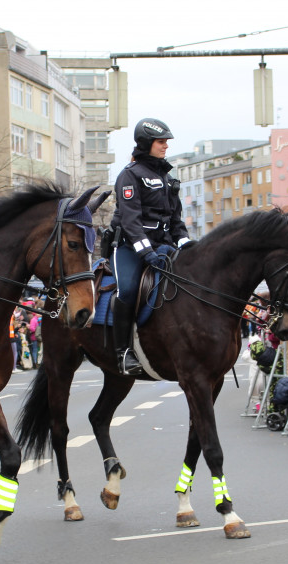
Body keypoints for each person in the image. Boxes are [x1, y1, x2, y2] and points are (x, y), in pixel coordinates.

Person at [111, 118, 191, 376]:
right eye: (161, 141)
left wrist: (187, 244)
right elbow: (131, 222)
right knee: (129, 289)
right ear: (146, 144)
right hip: (129, 247)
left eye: (166, 141)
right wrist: (147, 253)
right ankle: (123, 353)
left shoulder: (168, 178)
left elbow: (176, 221)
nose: (166, 146)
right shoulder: (129, 176)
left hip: (164, 247)